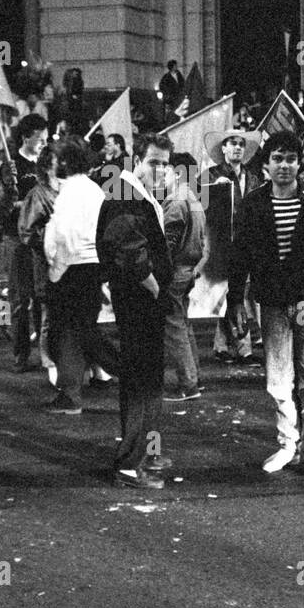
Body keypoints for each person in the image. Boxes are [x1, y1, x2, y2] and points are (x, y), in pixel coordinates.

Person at [228, 130, 304, 481]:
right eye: (277, 159)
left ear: (300, 164)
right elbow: (239, 254)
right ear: (266, 165)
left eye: (291, 159)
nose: (284, 165)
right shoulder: (253, 204)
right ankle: (287, 445)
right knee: (279, 380)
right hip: (272, 302)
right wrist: (234, 300)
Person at [97, 132, 175, 489]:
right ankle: (130, 464)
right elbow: (129, 251)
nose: (160, 170)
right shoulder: (124, 194)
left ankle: (149, 451)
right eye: (153, 163)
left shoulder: (134, 192)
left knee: (149, 379)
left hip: (143, 299)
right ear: (137, 160)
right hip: (139, 300)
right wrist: (155, 288)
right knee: (141, 382)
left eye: (165, 164)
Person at [43, 137, 120, 414]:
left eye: (55, 159)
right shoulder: (91, 189)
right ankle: (71, 393)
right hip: (90, 267)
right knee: (77, 333)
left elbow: (67, 237)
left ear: (65, 161)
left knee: (73, 333)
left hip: (73, 269)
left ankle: (129, 370)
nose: (51, 165)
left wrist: (56, 271)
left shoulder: (73, 192)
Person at [200, 128, 263, 364]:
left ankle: (224, 344)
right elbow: (199, 206)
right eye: (232, 143)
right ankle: (240, 347)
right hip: (221, 243)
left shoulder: (253, 177)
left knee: (238, 294)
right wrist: (214, 190)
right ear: (224, 148)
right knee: (229, 294)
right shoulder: (210, 175)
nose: (237, 147)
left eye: (241, 144)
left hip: (246, 243)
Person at [0, 113, 48, 372]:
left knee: (42, 297)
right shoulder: (11, 166)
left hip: (41, 239)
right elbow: (2, 208)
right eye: (40, 139)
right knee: (19, 298)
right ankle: (20, 353)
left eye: (46, 139)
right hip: (16, 239)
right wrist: (21, 201)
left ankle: (46, 354)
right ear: (26, 137)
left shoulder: (46, 164)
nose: (44, 144)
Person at [161, 151, 207, 403]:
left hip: (175, 270)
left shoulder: (176, 201)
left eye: (166, 169)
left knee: (174, 326)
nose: (162, 174)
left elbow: (168, 243)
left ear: (177, 173)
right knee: (183, 324)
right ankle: (194, 378)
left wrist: (160, 270)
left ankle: (188, 384)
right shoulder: (194, 199)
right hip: (189, 269)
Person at [18, 143, 59, 385]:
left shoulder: (68, 189)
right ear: (46, 167)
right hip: (46, 262)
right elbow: (27, 232)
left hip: (70, 262)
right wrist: (51, 236)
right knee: (48, 314)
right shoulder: (37, 194)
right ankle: (50, 362)